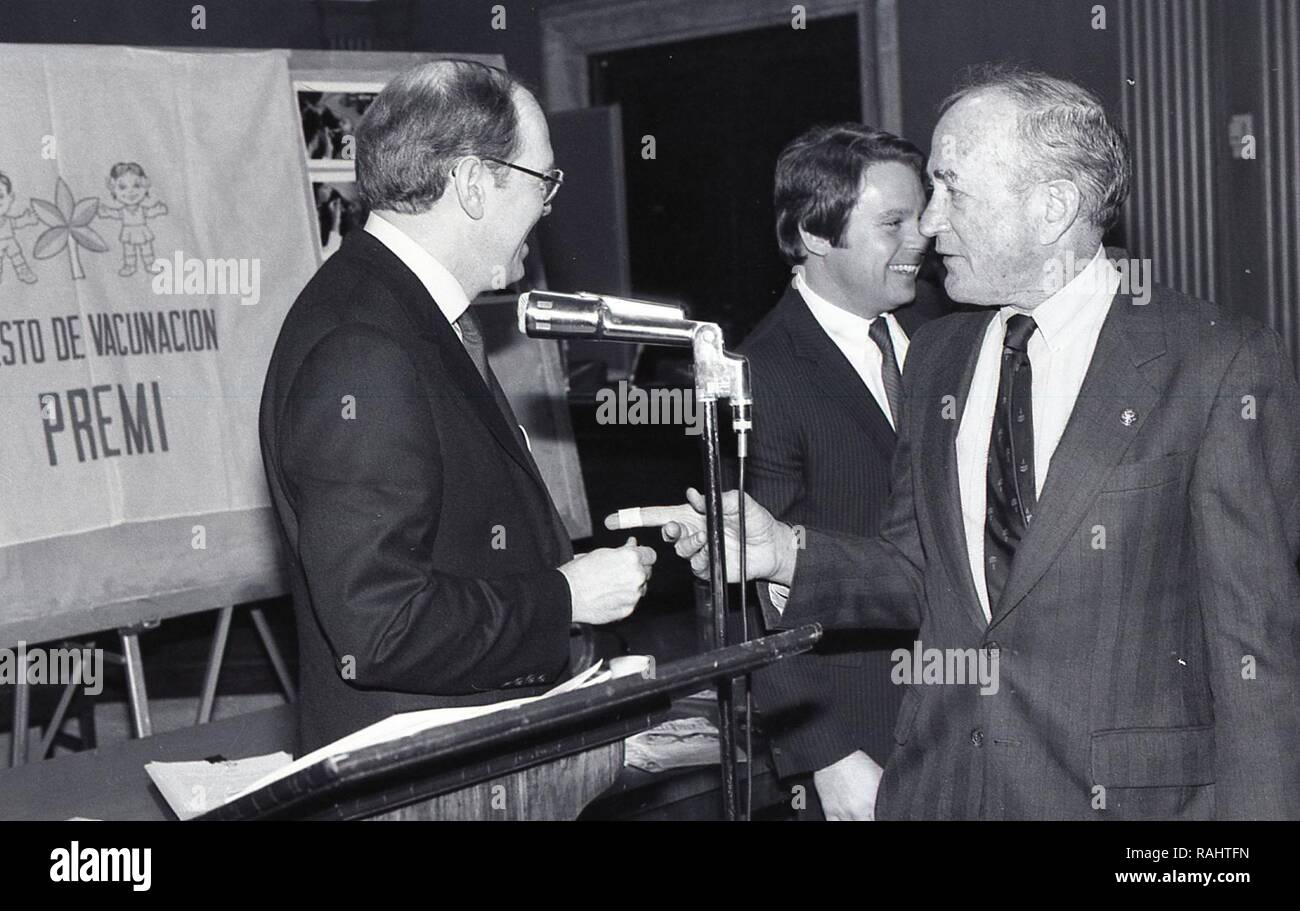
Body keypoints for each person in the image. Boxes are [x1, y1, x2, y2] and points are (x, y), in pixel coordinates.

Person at [612, 64, 1300, 819]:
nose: (931, 222)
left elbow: (1257, 655)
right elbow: (919, 571)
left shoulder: (1215, 362)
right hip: (941, 791)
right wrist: (783, 552)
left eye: (951, 189)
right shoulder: (940, 354)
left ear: (1053, 206)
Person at [261, 60, 655, 753]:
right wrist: (566, 598)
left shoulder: (404, 313)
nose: (549, 205)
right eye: (543, 182)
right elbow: (382, 624)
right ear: (474, 184)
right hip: (424, 775)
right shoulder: (366, 346)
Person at [738, 123, 942, 820]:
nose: (923, 237)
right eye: (894, 223)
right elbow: (748, 589)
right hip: (862, 731)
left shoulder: (951, 326)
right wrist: (824, 754)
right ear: (815, 235)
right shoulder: (761, 374)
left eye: (923, 213)